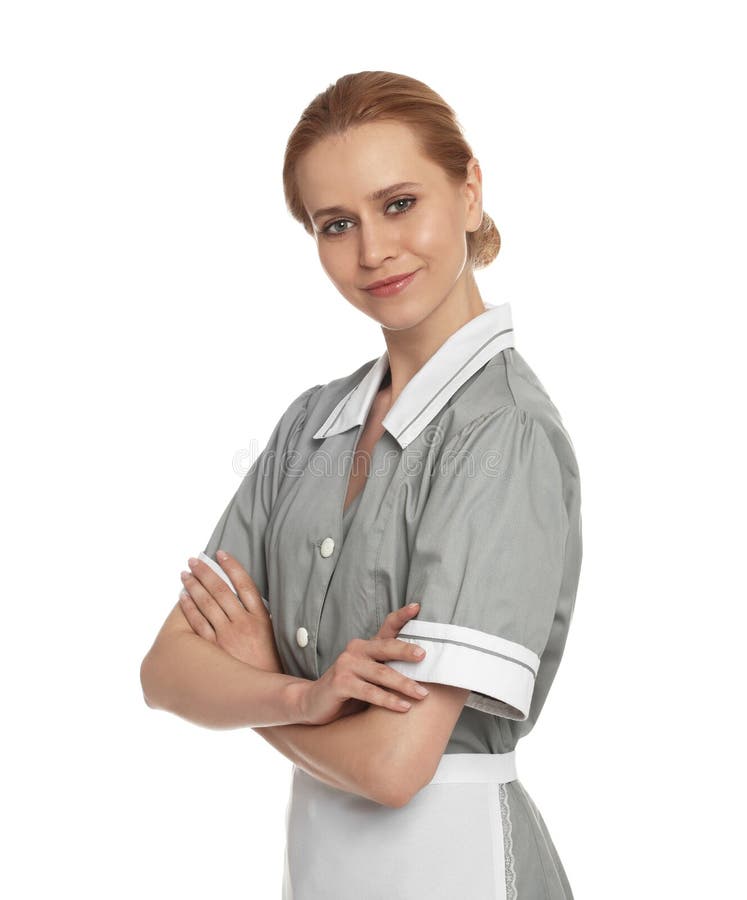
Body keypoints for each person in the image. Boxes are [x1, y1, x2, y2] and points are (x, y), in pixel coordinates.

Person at [140, 70, 583, 900]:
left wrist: (262, 691)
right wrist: (306, 697)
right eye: (335, 223)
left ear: (470, 191)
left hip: (459, 871)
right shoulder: (312, 424)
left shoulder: (502, 435)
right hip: (320, 867)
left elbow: (391, 767)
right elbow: (166, 672)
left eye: (399, 204)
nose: (372, 250)